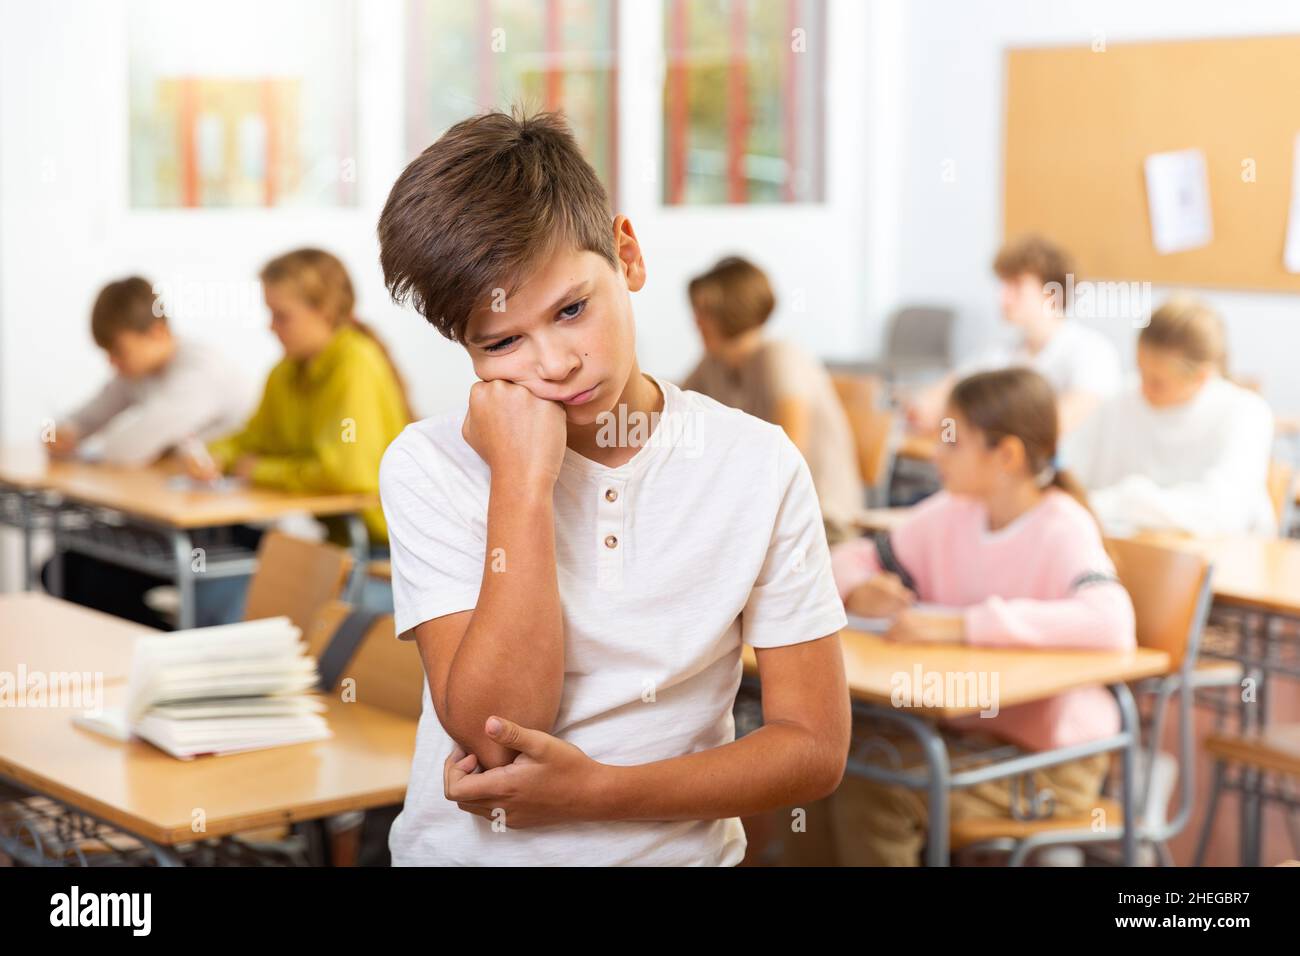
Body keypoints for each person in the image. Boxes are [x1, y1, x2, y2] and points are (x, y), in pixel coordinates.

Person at [375, 108, 851, 866]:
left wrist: (596, 792)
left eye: (572, 310)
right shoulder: (427, 464)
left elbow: (813, 747)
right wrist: (523, 487)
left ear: (626, 255)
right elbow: (496, 726)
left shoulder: (757, 464)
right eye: (503, 343)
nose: (555, 363)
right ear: (461, 344)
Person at [826, 367, 1135, 866]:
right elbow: (854, 555)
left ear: (1006, 454)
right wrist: (860, 588)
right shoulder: (953, 512)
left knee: (875, 791)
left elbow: (1111, 623)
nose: (935, 451)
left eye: (953, 441)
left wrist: (963, 623)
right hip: (967, 738)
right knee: (821, 769)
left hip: (1053, 763)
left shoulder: (1063, 528)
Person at [682, 255, 864, 544]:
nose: (696, 321)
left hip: (821, 520)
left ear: (730, 311)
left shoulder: (778, 356)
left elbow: (789, 456)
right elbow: (668, 408)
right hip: (769, 515)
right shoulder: (714, 362)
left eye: (704, 310)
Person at [1063, 295, 1275, 536]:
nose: (1143, 388)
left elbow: (1222, 512)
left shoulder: (1246, 413)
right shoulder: (1119, 399)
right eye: (1140, 371)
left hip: (1220, 560)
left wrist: (1130, 500)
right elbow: (1071, 478)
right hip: (1123, 555)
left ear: (1201, 377)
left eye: (1158, 382)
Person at [908, 235, 1121, 436]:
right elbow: (934, 400)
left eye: (1016, 285)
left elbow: (1053, 427)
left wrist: (968, 423)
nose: (1003, 297)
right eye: (1003, 285)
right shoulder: (1001, 353)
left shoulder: (1092, 352)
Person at [49, 276, 249, 465]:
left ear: (157, 332)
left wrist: (95, 444)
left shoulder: (201, 371)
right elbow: (81, 419)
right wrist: (56, 433)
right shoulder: (136, 374)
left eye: (119, 351)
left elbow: (124, 450)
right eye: (107, 353)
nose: (112, 362)